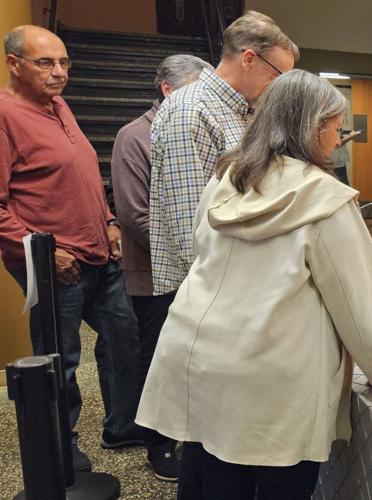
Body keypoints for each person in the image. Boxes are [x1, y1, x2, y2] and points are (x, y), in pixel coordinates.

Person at [136, 70, 372, 499]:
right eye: (336, 127)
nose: (337, 139)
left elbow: (200, 251)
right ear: (313, 128)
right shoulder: (326, 200)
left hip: (203, 355)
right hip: (277, 379)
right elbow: (357, 306)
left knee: (216, 478)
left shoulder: (225, 179)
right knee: (280, 486)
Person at [0, 25, 143, 472]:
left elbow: (80, 175)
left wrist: (109, 220)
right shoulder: (4, 115)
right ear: (14, 64)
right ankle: (60, 450)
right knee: (59, 362)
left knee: (125, 339)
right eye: (45, 63)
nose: (59, 72)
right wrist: (42, 251)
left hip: (100, 252)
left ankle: (122, 426)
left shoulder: (58, 105)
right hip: (53, 263)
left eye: (63, 62)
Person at [111, 54, 212, 481]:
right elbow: (134, 214)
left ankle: (188, 433)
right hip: (155, 274)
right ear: (168, 90)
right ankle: (157, 443)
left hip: (198, 267)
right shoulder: (134, 136)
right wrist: (194, 249)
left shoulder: (195, 132)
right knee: (157, 356)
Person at [149, 11, 298, 301]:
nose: (277, 88)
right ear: (249, 59)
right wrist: (223, 295)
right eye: (276, 76)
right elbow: (190, 226)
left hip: (234, 281)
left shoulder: (241, 109)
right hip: (207, 290)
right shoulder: (191, 109)